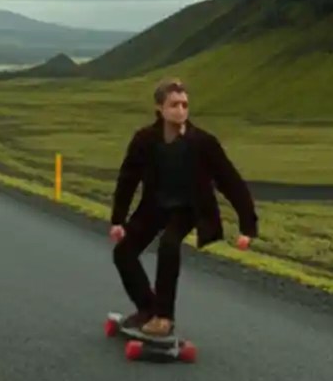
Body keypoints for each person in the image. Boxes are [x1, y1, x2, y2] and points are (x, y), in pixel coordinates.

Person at [109, 77, 258, 338]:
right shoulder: (145, 140)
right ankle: (147, 308)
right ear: (159, 108)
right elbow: (127, 178)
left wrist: (248, 226)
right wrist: (118, 220)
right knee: (123, 252)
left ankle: (164, 318)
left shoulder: (203, 142)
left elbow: (230, 181)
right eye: (174, 105)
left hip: (188, 209)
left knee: (169, 245)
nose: (180, 110)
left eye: (185, 105)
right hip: (154, 207)